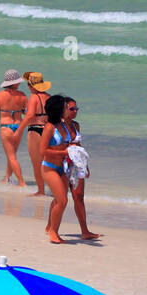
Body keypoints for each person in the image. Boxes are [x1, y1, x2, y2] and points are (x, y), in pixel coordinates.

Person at [0, 69, 28, 186]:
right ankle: (7, 178)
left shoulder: (0, 95)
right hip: (18, 126)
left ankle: (22, 183)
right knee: (12, 155)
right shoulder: (22, 96)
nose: (19, 83)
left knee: (11, 157)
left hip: (6, 127)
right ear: (15, 82)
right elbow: (27, 112)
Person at [62, 96, 99, 240]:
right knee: (60, 198)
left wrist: (85, 165)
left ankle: (85, 230)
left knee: (79, 197)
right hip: (62, 163)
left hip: (76, 165)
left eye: (76, 108)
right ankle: (50, 226)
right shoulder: (58, 125)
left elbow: (79, 147)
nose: (75, 111)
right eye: (72, 109)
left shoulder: (76, 125)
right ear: (63, 109)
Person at [39, 94, 74, 243]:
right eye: (66, 107)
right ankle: (54, 232)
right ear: (59, 109)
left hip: (63, 167)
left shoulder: (65, 125)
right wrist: (63, 152)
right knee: (62, 201)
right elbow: (43, 150)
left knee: (57, 200)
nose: (68, 109)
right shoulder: (49, 127)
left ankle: (49, 226)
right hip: (50, 167)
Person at [20, 71, 52, 196]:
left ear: (32, 86)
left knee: (37, 163)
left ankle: (41, 191)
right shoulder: (49, 97)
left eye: (28, 85)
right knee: (48, 162)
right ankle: (57, 188)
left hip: (35, 130)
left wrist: (19, 130)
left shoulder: (33, 97)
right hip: (48, 130)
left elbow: (30, 115)